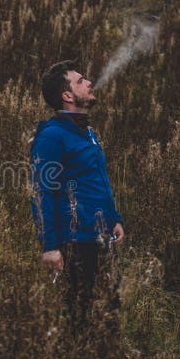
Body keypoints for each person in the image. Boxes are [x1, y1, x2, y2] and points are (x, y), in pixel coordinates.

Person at [30, 60, 125, 328]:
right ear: (67, 95)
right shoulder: (51, 136)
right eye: (81, 80)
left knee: (110, 312)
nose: (90, 83)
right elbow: (41, 192)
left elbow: (98, 180)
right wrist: (49, 247)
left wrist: (114, 218)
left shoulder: (87, 133)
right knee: (80, 318)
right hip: (76, 241)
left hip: (102, 236)